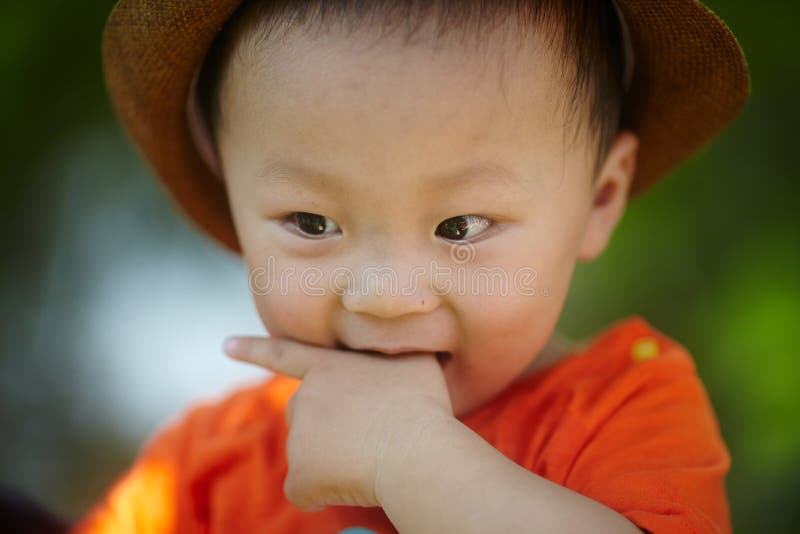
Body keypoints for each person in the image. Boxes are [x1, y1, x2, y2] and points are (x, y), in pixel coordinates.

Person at [72, 0, 750, 532]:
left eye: (460, 226)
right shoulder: (200, 472)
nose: (385, 297)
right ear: (234, 198)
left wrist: (407, 455)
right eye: (312, 223)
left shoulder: (623, 415)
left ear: (600, 199)